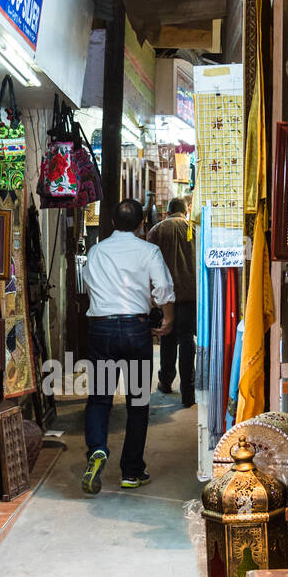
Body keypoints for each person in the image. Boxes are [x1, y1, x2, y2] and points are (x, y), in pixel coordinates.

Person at [80, 198, 174, 495]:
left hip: (102, 330)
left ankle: (97, 449)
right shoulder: (149, 251)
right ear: (140, 224)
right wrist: (168, 320)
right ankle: (131, 471)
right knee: (137, 404)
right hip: (135, 330)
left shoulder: (96, 252)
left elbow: (87, 284)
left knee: (100, 399)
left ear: (111, 223)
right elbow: (163, 290)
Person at [147, 196, 196, 406]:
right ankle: (188, 393)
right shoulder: (194, 229)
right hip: (190, 296)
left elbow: (149, 265)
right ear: (186, 211)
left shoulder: (157, 230)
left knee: (167, 341)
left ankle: (165, 382)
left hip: (165, 297)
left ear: (167, 212)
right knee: (186, 341)